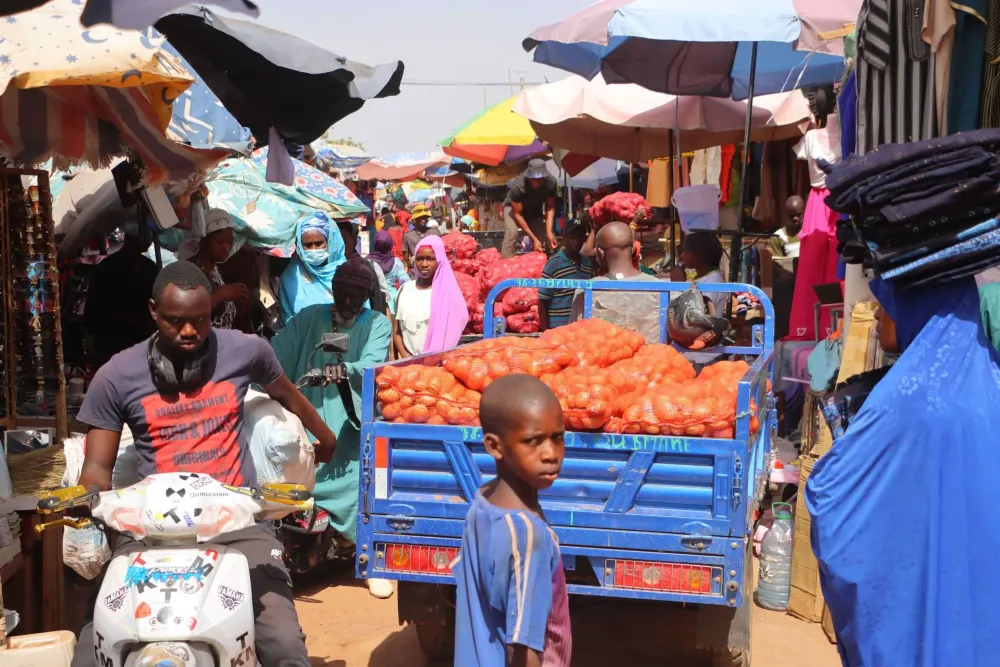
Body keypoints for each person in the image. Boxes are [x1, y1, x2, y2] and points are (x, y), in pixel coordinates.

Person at [72, 261, 337, 667]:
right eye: (176, 322)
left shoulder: (247, 350)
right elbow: (97, 468)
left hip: (239, 528)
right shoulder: (116, 376)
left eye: (201, 320)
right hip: (148, 534)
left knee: (283, 644)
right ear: (152, 312)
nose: (190, 332)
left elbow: (287, 394)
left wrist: (326, 437)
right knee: (94, 647)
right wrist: (87, 500)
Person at [807, 277, 1000, 667]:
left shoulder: (907, 398)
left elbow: (832, 496)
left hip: (915, 604)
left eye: (888, 304)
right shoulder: (988, 381)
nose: (877, 315)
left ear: (920, 308)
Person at [271, 256, 395, 600]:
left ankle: (369, 562)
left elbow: (372, 362)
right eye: (341, 292)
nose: (347, 301)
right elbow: (276, 353)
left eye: (356, 294)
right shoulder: (310, 317)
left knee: (361, 485)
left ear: (367, 293)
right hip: (307, 418)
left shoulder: (377, 324)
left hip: (349, 424)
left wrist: (346, 370)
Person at [453, 375, 571, 667]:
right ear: (495, 446)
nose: (551, 454)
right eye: (533, 441)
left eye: (558, 437)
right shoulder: (528, 535)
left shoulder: (483, 502)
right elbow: (522, 650)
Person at [569, 221, 662, 343]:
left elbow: (574, 337)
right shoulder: (661, 288)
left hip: (602, 360)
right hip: (652, 361)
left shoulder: (586, 290)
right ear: (633, 249)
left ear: (600, 254)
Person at [84, 222, 158, 368]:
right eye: (146, 236)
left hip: (143, 349)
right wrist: (132, 320)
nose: (149, 241)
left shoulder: (150, 268)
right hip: (112, 349)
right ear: (130, 238)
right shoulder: (107, 268)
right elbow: (92, 316)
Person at [394, 235, 469, 357]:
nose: (424, 264)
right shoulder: (405, 290)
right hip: (409, 365)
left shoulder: (448, 294)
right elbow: (397, 331)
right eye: (419, 259)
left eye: (430, 259)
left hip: (438, 365)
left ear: (439, 261)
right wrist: (406, 356)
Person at [669, 232, 728, 367]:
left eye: (685, 252)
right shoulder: (701, 278)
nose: (682, 256)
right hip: (691, 353)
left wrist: (679, 286)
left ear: (698, 255)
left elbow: (694, 317)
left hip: (701, 357)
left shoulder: (713, 282)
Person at [278, 211, 347, 324]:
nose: (314, 249)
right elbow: (288, 321)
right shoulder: (291, 278)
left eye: (319, 243)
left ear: (329, 242)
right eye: (308, 245)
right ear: (300, 246)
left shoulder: (348, 273)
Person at [191, 208, 248, 329]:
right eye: (220, 242)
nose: (226, 248)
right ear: (204, 239)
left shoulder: (214, 270)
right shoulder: (190, 271)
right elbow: (190, 316)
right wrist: (221, 295)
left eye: (230, 242)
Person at [538, 221, 594, 331]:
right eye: (572, 237)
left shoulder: (587, 264)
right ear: (564, 238)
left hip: (581, 329)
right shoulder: (553, 264)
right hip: (558, 329)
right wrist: (545, 332)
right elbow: (542, 301)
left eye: (579, 237)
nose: (576, 241)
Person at [502, 159, 558, 257]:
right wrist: (533, 239)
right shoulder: (518, 185)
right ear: (528, 176)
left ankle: (543, 268)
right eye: (533, 179)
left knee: (543, 238)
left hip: (534, 211)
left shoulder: (551, 182)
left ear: (544, 176)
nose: (536, 183)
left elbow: (550, 207)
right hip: (513, 210)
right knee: (511, 234)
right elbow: (517, 214)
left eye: (539, 179)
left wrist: (549, 232)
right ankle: (506, 266)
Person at [337, 219, 390, 315]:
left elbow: (382, 304)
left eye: (344, 242)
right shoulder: (323, 272)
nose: (340, 246)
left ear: (353, 241)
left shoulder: (369, 267)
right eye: (336, 241)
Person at [368, 230, 410, 315]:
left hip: (372, 302)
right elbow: (406, 282)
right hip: (392, 303)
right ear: (390, 244)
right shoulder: (396, 262)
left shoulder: (367, 262)